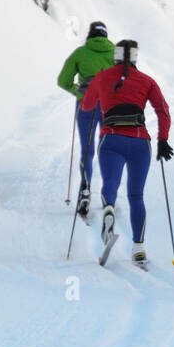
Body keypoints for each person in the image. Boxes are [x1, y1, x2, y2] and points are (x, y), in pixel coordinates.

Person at [80, 39, 174, 269]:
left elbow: (86, 106)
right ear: (135, 58)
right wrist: (163, 139)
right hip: (140, 142)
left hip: (111, 139)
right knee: (136, 196)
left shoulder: (102, 78)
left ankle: (109, 208)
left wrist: (90, 88)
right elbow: (163, 110)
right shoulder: (147, 80)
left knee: (110, 183)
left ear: (115, 56)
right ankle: (139, 248)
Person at [57, 21, 115, 217]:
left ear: (90, 35)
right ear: (106, 36)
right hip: (109, 107)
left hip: (86, 105)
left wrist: (79, 91)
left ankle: (85, 190)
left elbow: (63, 81)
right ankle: (109, 196)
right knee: (108, 149)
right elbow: (125, 79)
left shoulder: (80, 53)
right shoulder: (115, 52)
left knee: (87, 150)